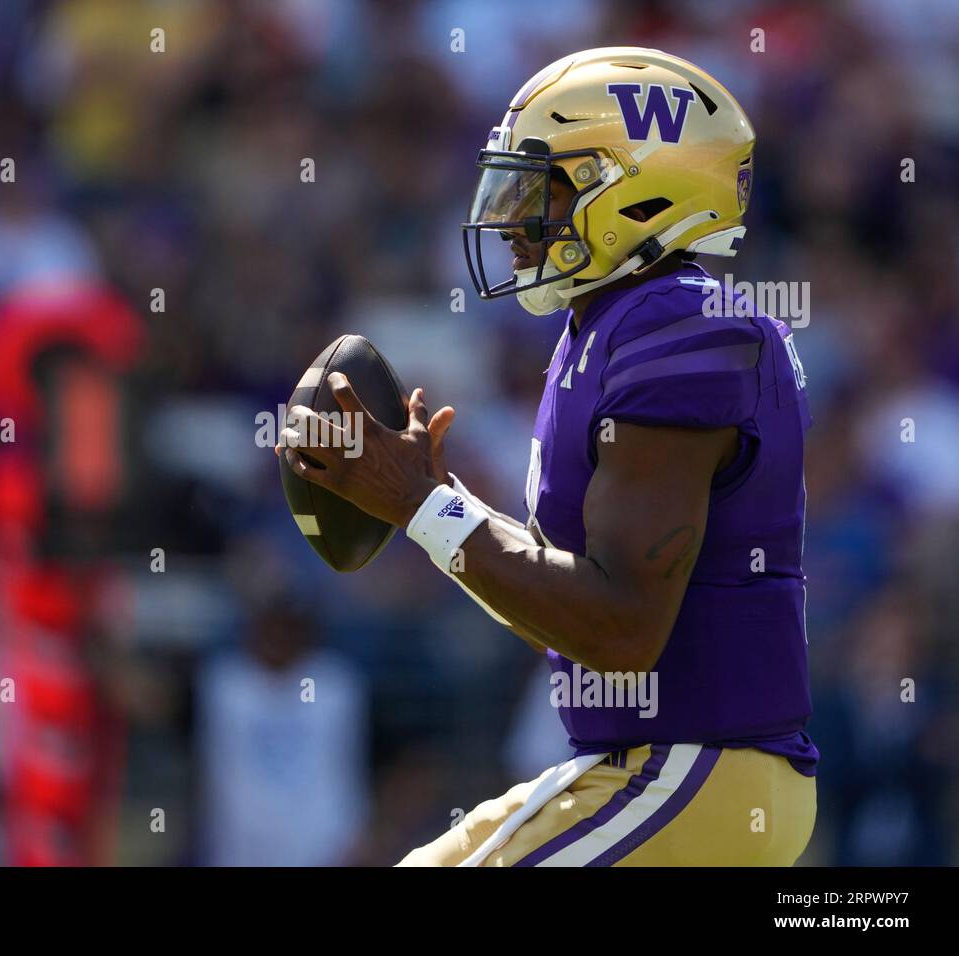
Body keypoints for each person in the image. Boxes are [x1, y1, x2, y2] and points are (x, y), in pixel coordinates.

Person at [278, 47, 817, 866]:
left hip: (695, 774)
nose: (513, 219)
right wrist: (433, 500)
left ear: (636, 191)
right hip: (646, 770)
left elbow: (623, 628)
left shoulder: (679, 326)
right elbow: (572, 622)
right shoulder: (611, 327)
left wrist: (423, 507)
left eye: (542, 189)